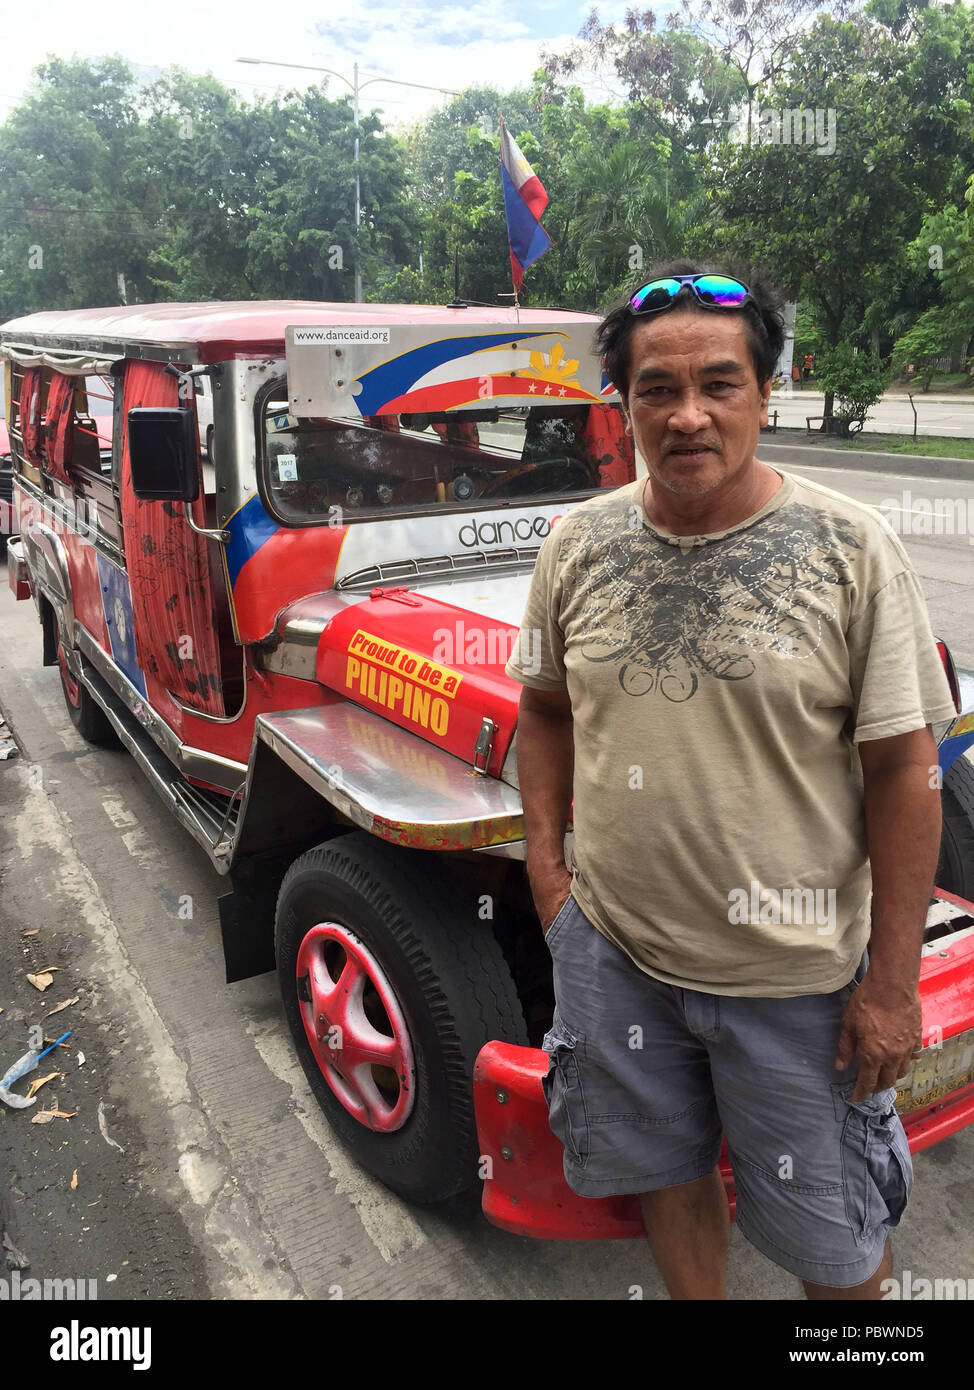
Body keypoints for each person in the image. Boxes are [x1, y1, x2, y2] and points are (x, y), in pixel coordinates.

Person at [504, 262, 955, 1300]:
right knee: (663, 1177)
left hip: (796, 982)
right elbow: (541, 705)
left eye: (718, 383)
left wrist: (889, 986)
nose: (687, 415)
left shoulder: (851, 549)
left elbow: (901, 769)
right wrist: (546, 874)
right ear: (621, 408)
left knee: (832, 1239)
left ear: (765, 394)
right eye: (655, 389)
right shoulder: (575, 543)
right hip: (614, 954)